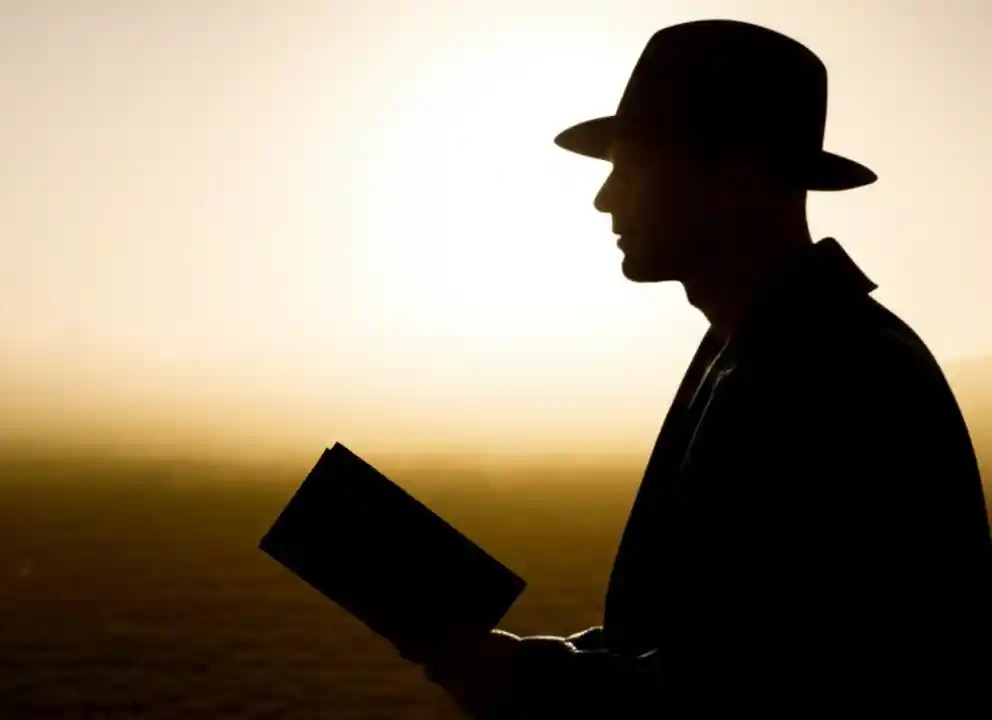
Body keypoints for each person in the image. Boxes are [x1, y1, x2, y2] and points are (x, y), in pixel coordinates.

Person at [402, 19, 992, 718]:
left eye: (633, 165)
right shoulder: (763, 347)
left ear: (736, 178)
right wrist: (548, 665)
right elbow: (716, 634)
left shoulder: (837, 373)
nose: (605, 197)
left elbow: (785, 681)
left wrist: (535, 682)